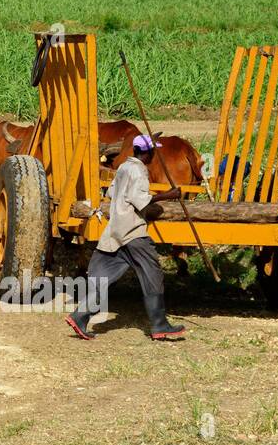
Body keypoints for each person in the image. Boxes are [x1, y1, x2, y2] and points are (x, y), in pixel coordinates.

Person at [66, 134, 188, 340]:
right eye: (153, 152)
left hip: (115, 232)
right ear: (146, 153)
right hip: (133, 233)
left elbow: (114, 193)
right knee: (153, 275)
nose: (154, 156)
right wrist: (169, 195)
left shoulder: (123, 167)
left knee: (104, 279)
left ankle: (80, 316)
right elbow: (141, 200)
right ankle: (159, 325)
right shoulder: (139, 170)